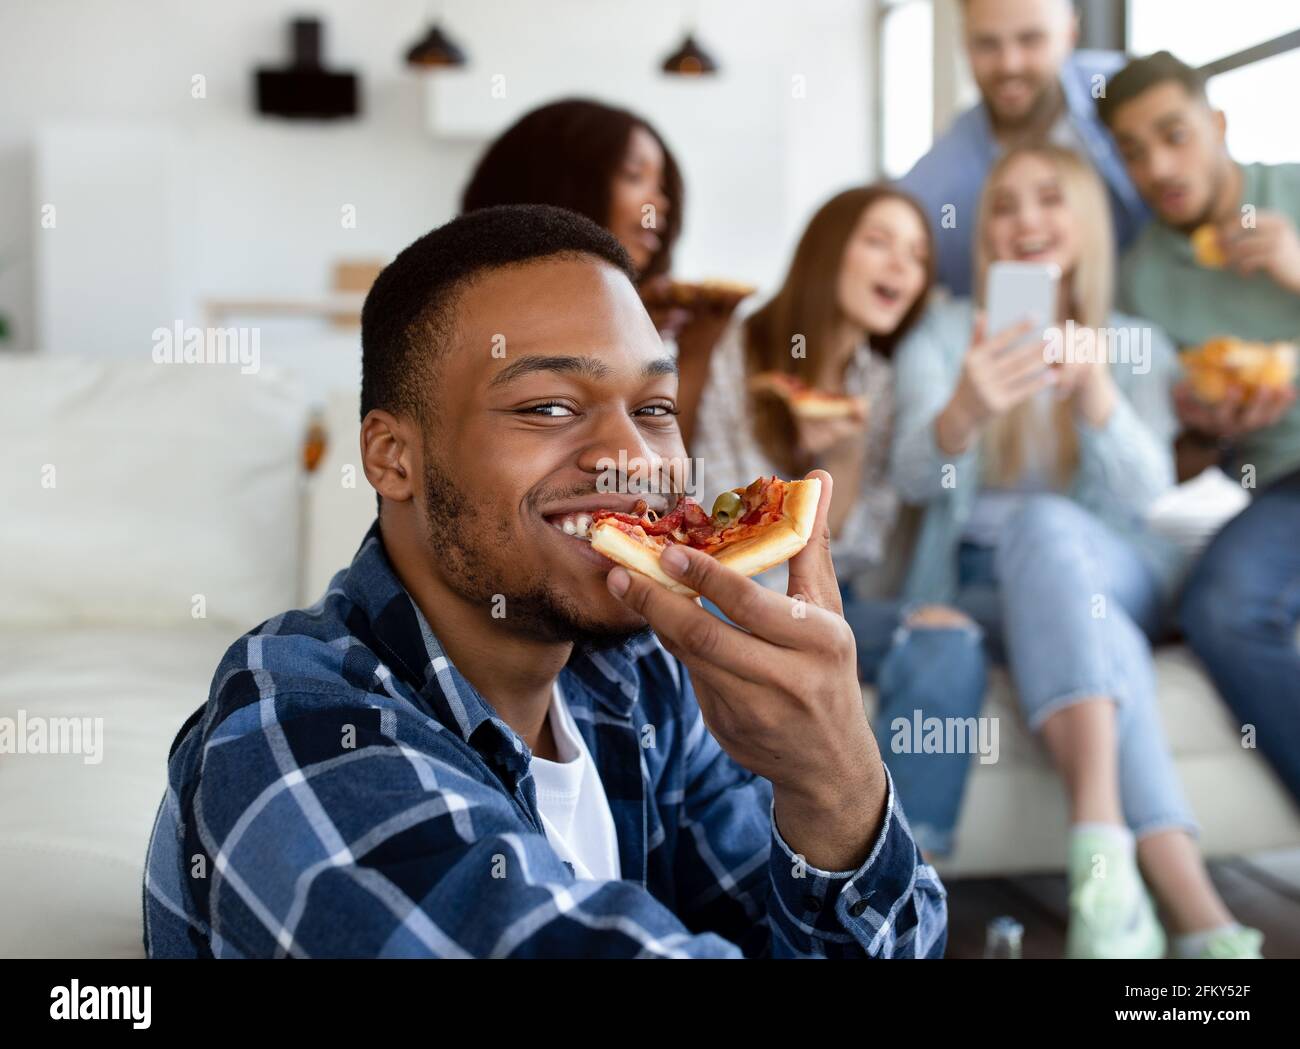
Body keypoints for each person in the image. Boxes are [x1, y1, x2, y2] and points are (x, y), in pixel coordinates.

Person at [142, 204, 947, 959]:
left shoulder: (645, 682)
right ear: (394, 457)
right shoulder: (297, 728)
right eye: (550, 407)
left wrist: (835, 783)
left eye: (656, 406)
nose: (632, 457)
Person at [891, 143, 1261, 958]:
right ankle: (1201, 921)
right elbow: (913, 476)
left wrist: (1095, 397)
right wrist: (963, 411)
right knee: (1087, 620)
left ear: (1087, 220)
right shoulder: (946, 333)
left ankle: (1100, 851)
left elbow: (1148, 503)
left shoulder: (1134, 343)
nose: (1026, 220)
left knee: (1048, 530)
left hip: (1111, 570)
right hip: (986, 590)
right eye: (1005, 205)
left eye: (1049, 198)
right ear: (983, 231)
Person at [691, 184, 987, 857]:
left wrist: (843, 456)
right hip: (734, 603)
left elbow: (855, 549)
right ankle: (770, 873)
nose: (901, 266)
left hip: (830, 604)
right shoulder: (744, 349)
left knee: (951, 638)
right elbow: (719, 518)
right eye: (879, 241)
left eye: (916, 254)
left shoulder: (877, 386)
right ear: (829, 249)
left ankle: (906, 871)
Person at [1099, 51, 1300, 804]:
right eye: (1132, 150)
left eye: (1174, 134)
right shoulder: (1139, 276)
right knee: (1220, 605)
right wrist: (1208, 434)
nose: (1158, 165)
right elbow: (1165, 465)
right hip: (1277, 484)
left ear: (1217, 125)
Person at [461, 97, 734, 446]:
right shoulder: (479, 329)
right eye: (635, 176)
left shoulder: (660, 330)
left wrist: (689, 353)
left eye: (662, 186)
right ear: (561, 186)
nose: (660, 204)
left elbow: (664, 473)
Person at [899, 0, 1146, 295]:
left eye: (1030, 40)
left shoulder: (1135, 95)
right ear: (964, 43)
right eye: (987, 44)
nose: (1009, 64)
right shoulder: (935, 187)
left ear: (1069, 32)